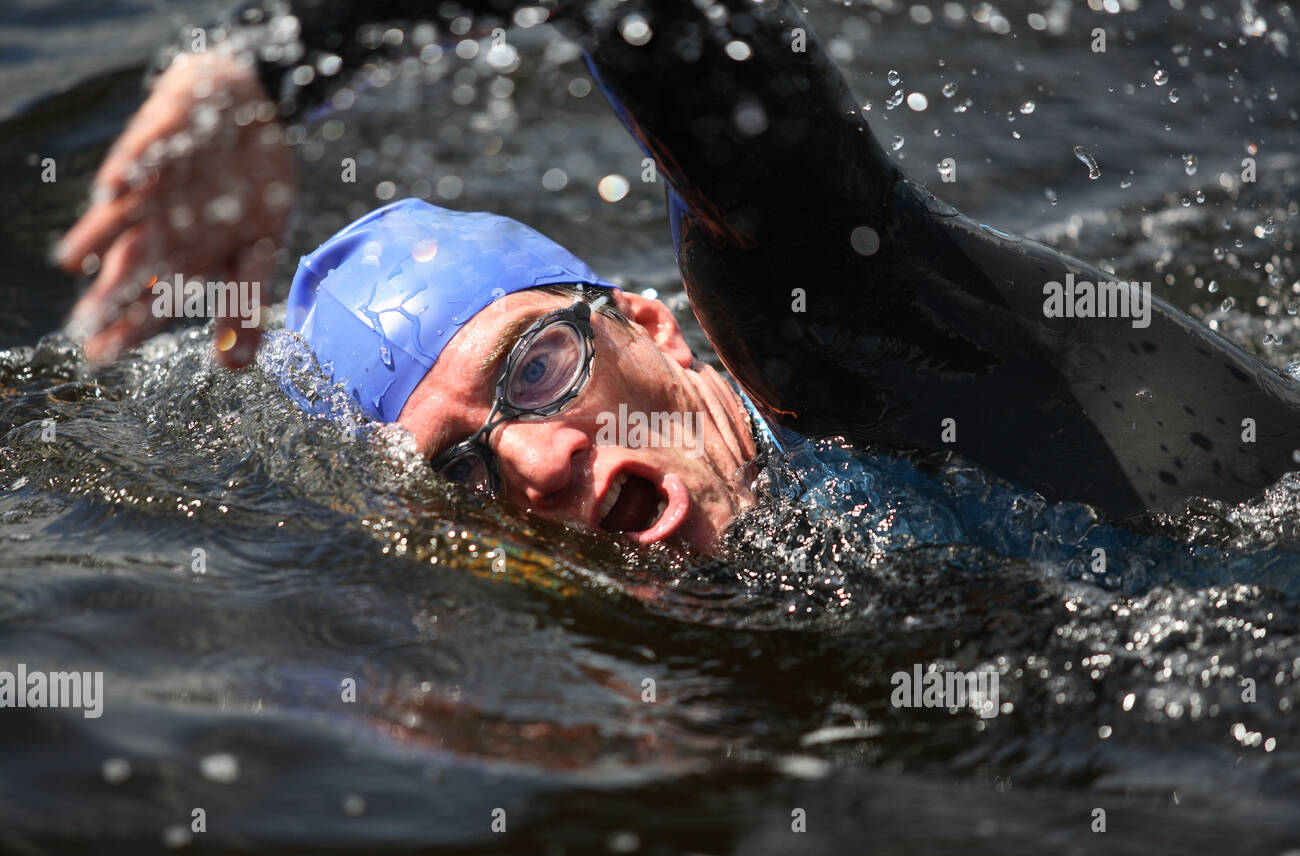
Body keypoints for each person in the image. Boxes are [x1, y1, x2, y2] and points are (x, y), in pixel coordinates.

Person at [52, 0, 1300, 553]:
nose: (531, 463)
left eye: (536, 368)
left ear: (650, 321)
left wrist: (270, 73)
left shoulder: (865, 342)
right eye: (464, 466)